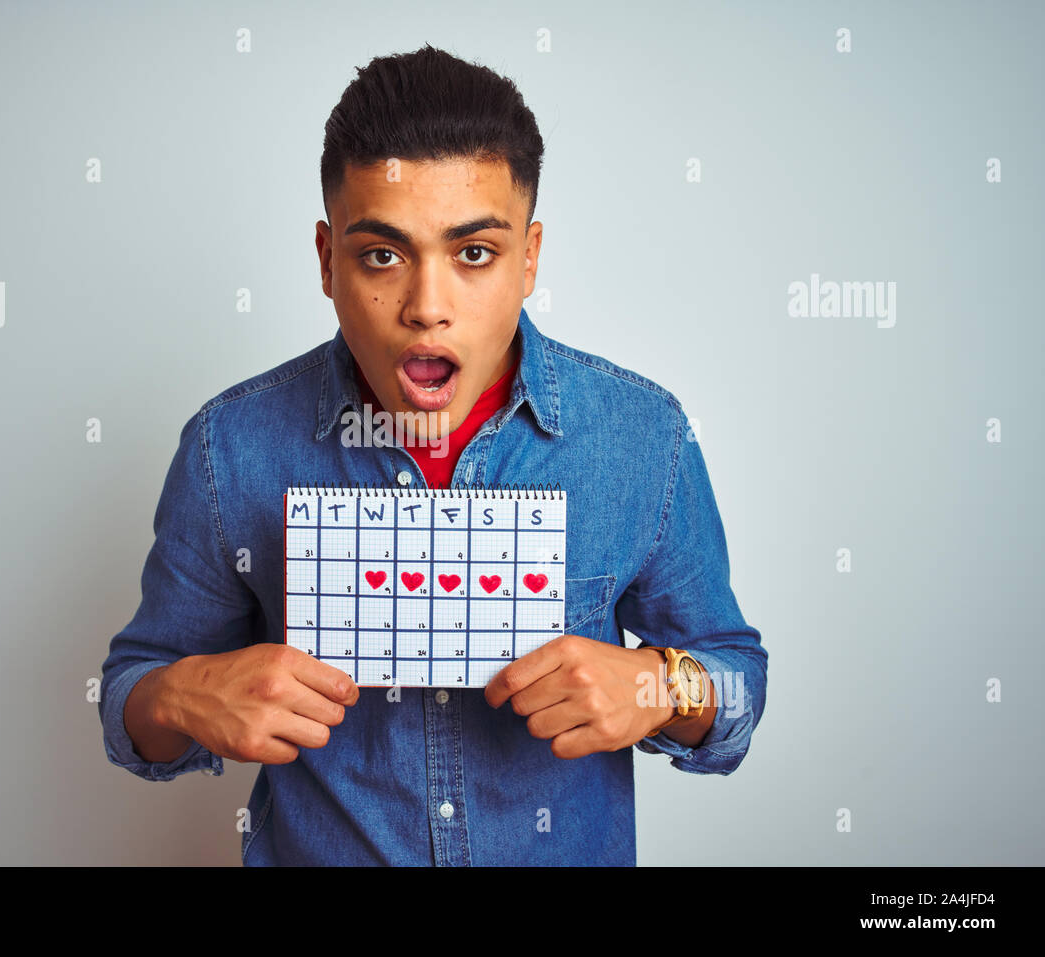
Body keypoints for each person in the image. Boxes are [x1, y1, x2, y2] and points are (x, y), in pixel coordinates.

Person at [99, 44, 767, 865]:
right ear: (325, 260)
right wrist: (177, 694)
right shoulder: (228, 447)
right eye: (382, 254)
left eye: (474, 253)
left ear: (529, 259)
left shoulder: (643, 434)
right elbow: (130, 700)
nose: (426, 307)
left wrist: (664, 685)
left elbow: (737, 679)